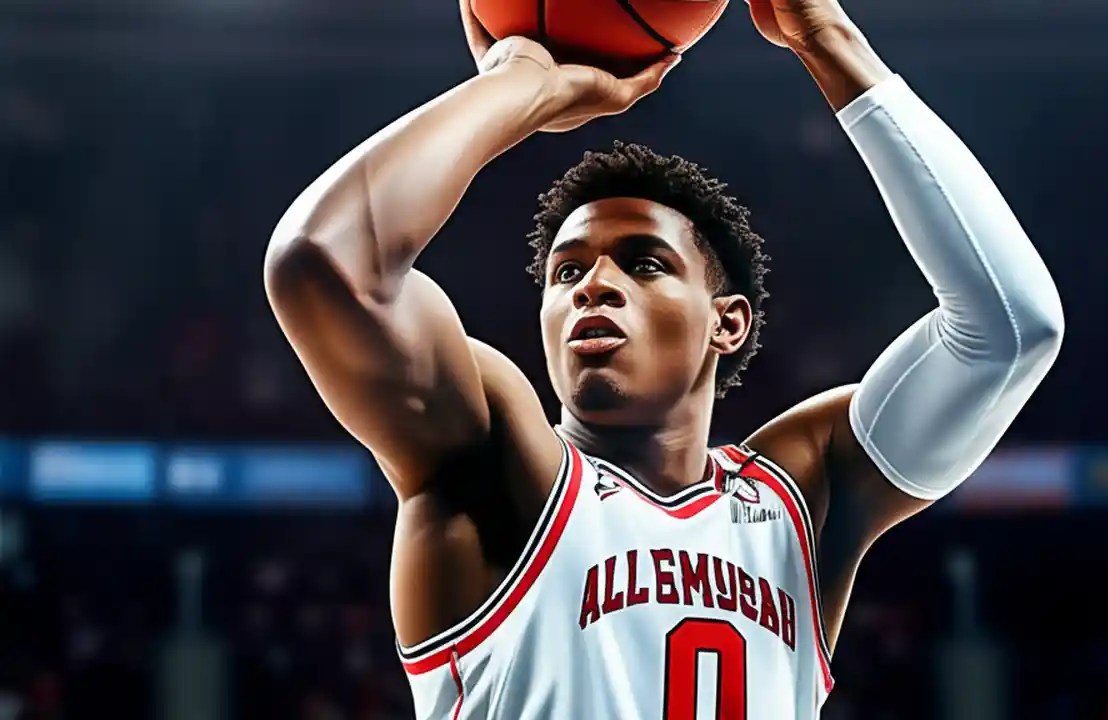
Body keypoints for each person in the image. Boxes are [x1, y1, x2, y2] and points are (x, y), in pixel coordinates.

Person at [263, 0, 1065, 716]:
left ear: (729, 323)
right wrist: (523, 83)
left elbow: (1011, 327)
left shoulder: (802, 497)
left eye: (643, 263)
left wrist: (832, 40)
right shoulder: (498, 464)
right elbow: (323, 260)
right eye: (567, 272)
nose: (593, 287)